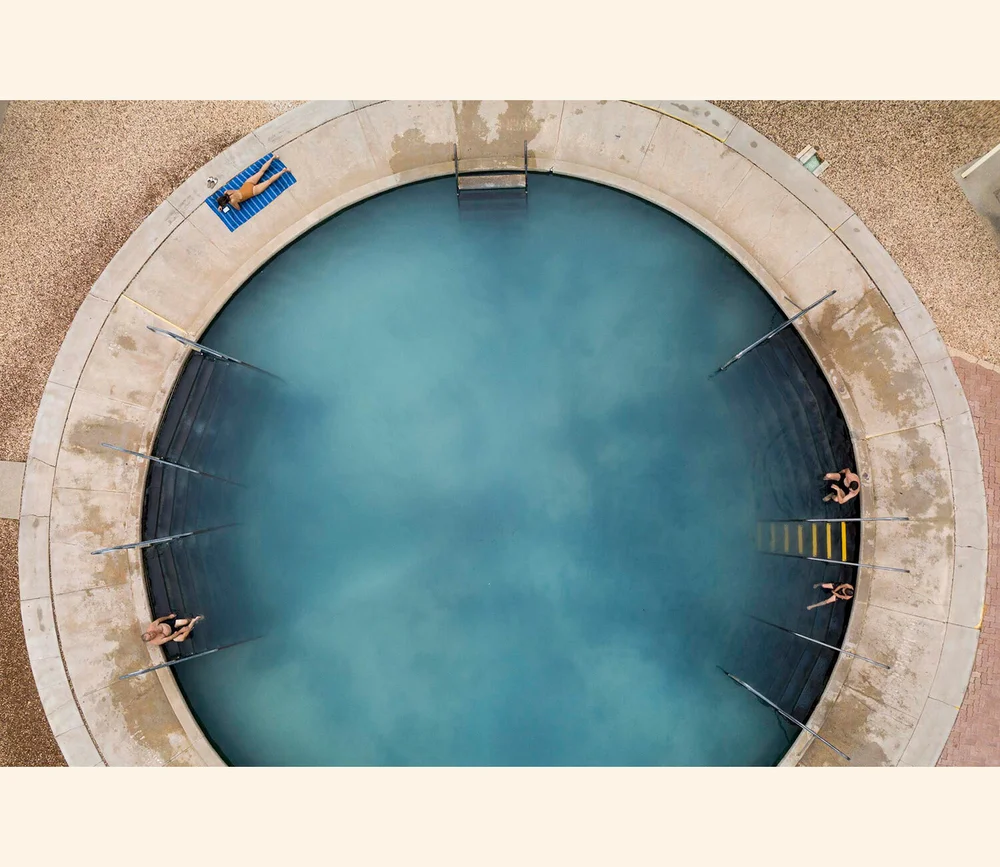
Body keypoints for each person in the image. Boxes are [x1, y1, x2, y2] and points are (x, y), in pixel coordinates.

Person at [215, 155, 290, 211]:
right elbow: (223, 198)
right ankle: (273, 158)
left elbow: (238, 208)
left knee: (269, 181)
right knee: (261, 171)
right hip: (247, 184)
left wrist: (227, 205)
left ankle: (284, 171)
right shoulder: (227, 192)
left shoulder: (233, 202)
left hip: (252, 191)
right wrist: (221, 203)